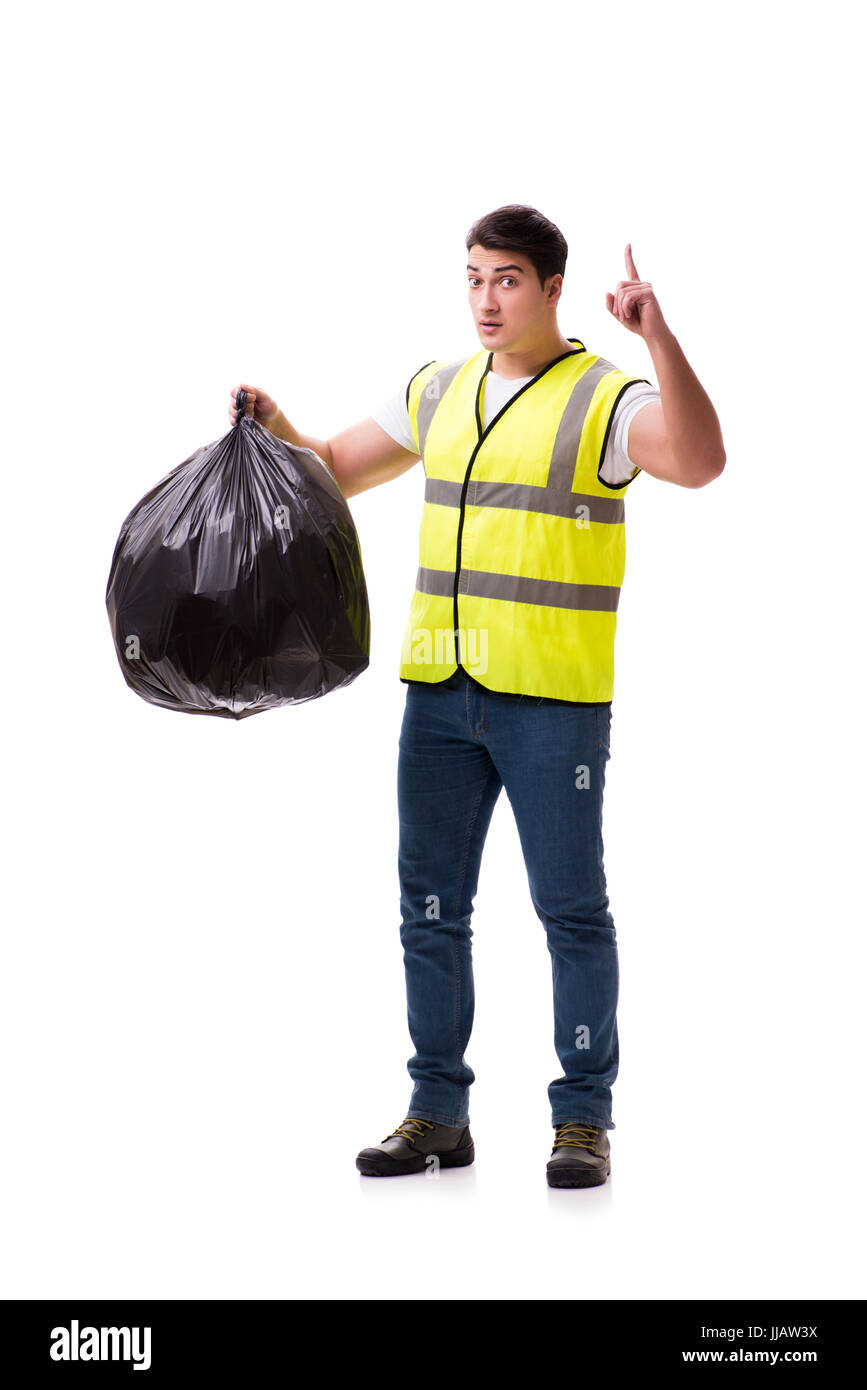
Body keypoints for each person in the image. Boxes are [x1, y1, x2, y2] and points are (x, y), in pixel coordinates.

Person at [229, 204, 726, 1188]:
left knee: (571, 909)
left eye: (506, 279)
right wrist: (274, 426)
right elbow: (331, 468)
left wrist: (659, 337)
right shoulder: (441, 390)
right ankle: (436, 1112)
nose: (486, 299)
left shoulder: (604, 401)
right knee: (429, 907)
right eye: (472, 277)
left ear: (551, 288)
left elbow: (701, 461)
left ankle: (582, 1119)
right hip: (439, 695)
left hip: (552, 700)